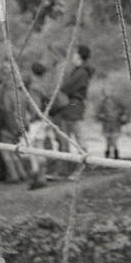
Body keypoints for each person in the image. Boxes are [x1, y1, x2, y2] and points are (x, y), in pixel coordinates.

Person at [50, 45, 95, 178]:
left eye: (75, 54)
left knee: (77, 137)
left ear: (80, 56)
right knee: (67, 138)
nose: (73, 56)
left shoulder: (81, 72)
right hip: (72, 105)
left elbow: (66, 87)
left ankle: (81, 167)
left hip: (75, 105)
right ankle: (65, 169)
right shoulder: (78, 71)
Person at [95, 92, 126, 159]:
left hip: (114, 124)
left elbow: (124, 112)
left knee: (113, 140)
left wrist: (122, 117)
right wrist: (101, 116)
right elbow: (98, 114)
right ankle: (112, 153)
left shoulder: (118, 102)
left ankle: (111, 153)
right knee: (109, 140)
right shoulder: (103, 104)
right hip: (108, 124)